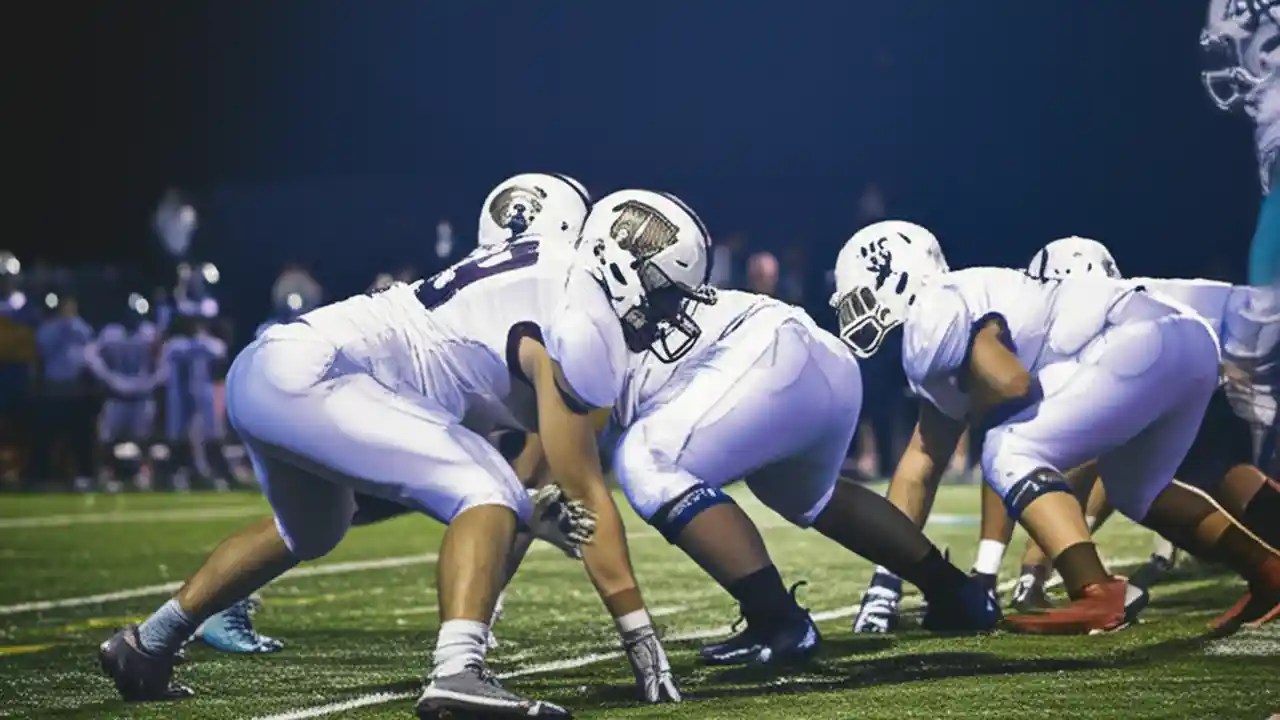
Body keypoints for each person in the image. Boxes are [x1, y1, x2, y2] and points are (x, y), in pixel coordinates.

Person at [98, 177, 704, 719]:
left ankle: (148, 643)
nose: (666, 313)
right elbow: (583, 487)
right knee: (484, 485)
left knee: (311, 530)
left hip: (269, 372)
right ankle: (457, 673)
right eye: (667, 292)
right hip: (318, 374)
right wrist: (638, 634)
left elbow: (526, 473)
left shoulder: (513, 287)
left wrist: (522, 506)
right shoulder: (576, 308)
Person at [833, 220, 1280, 635]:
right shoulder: (961, 307)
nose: (855, 312)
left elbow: (1013, 383)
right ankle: (1267, 571)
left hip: (1141, 341)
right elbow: (922, 463)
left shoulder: (932, 312)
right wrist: (884, 586)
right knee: (1136, 488)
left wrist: (995, 421)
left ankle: (1097, 591)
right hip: (1180, 342)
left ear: (898, 279)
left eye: (860, 296)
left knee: (1005, 446)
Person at [605, 276, 999, 665]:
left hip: (768, 360)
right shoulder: (588, 284)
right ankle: (956, 594)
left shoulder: (567, 301)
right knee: (807, 493)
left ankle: (777, 621)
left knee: (647, 461)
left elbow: (571, 442)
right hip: (812, 354)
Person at [32, 294, 95, 489]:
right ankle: (43, 476)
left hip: (75, 390)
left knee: (81, 437)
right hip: (54, 390)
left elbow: (89, 358)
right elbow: (40, 357)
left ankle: (85, 475)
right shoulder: (46, 329)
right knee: (47, 437)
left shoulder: (83, 328)